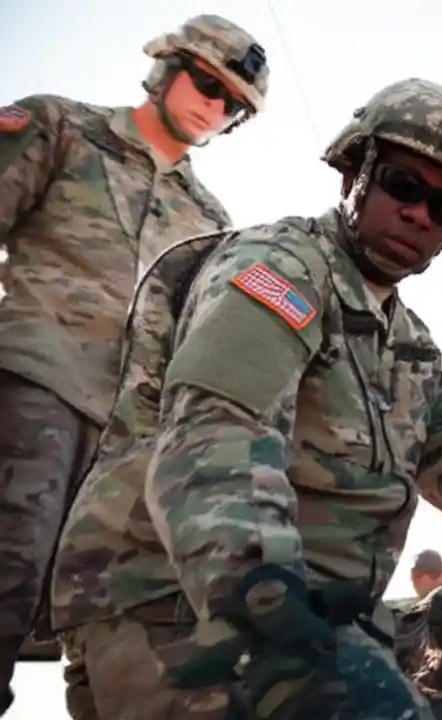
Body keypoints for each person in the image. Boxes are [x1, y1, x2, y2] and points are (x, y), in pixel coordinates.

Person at [47, 77, 442, 720]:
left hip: (316, 624)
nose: (420, 214)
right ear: (355, 170)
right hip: (181, 609)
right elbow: (215, 439)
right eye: (403, 184)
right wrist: (272, 615)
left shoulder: (411, 344)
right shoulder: (279, 268)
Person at [0, 14, 270, 716]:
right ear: (167, 67)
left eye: (232, 104)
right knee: (7, 578)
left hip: (131, 446)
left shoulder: (210, 220)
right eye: (208, 84)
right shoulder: (59, 127)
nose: (214, 106)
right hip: (34, 385)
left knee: (111, 632)